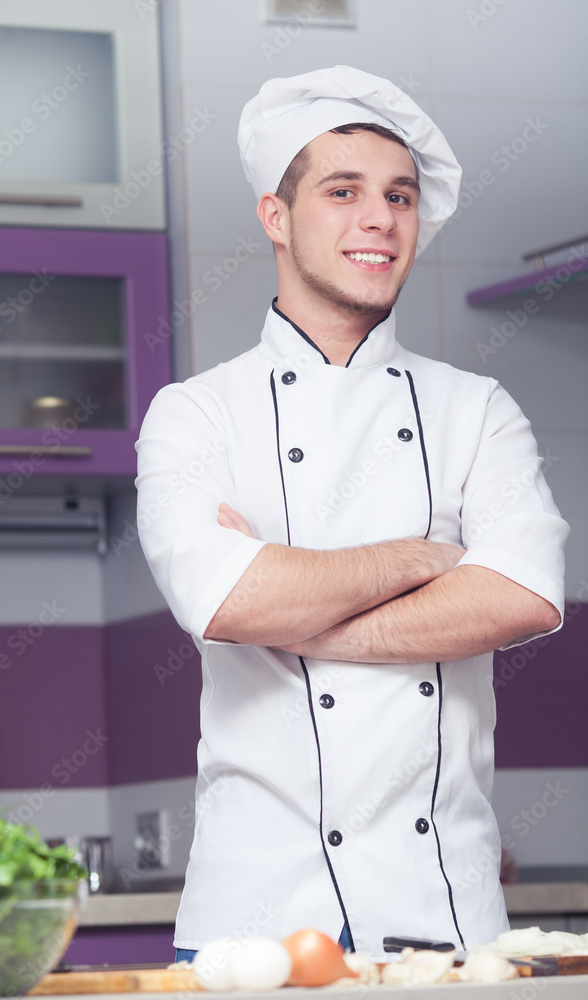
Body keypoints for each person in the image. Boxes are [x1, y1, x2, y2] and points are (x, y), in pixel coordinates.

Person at [135, 66, 568, 958]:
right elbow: (225, 603)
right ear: (277, 218)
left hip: (442, 912)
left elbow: (522, 594)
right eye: (343, 191)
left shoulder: (474, 408)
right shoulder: (196, 412)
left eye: (399, 196)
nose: (379, 219)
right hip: (249, 924)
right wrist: (422, 559)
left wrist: (289, 600)